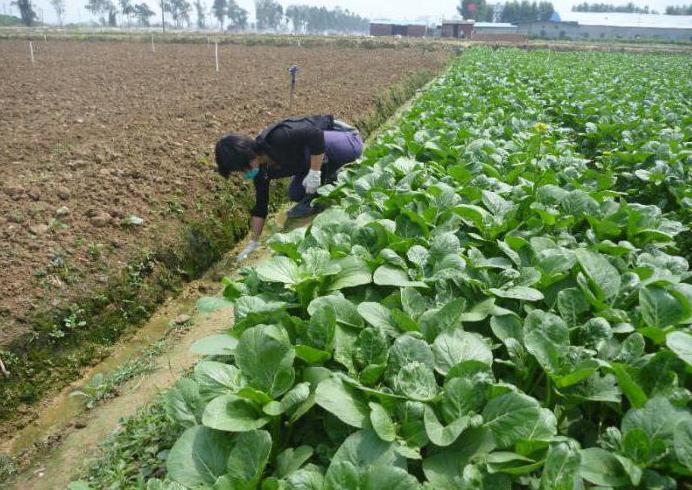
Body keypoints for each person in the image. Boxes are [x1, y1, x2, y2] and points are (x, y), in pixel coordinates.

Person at [215, 115, 363, 262]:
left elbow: (315, 134)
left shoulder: (278, 138)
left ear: (248, 156)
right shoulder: (261, 172)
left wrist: (314, 173)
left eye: (242, 169)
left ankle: (344, 170)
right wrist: (253, 242)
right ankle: (334, 177)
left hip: (346, 140)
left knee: (315, 149)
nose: (243, 174)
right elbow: (261, 206)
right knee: (296, 193)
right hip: (319, 159)